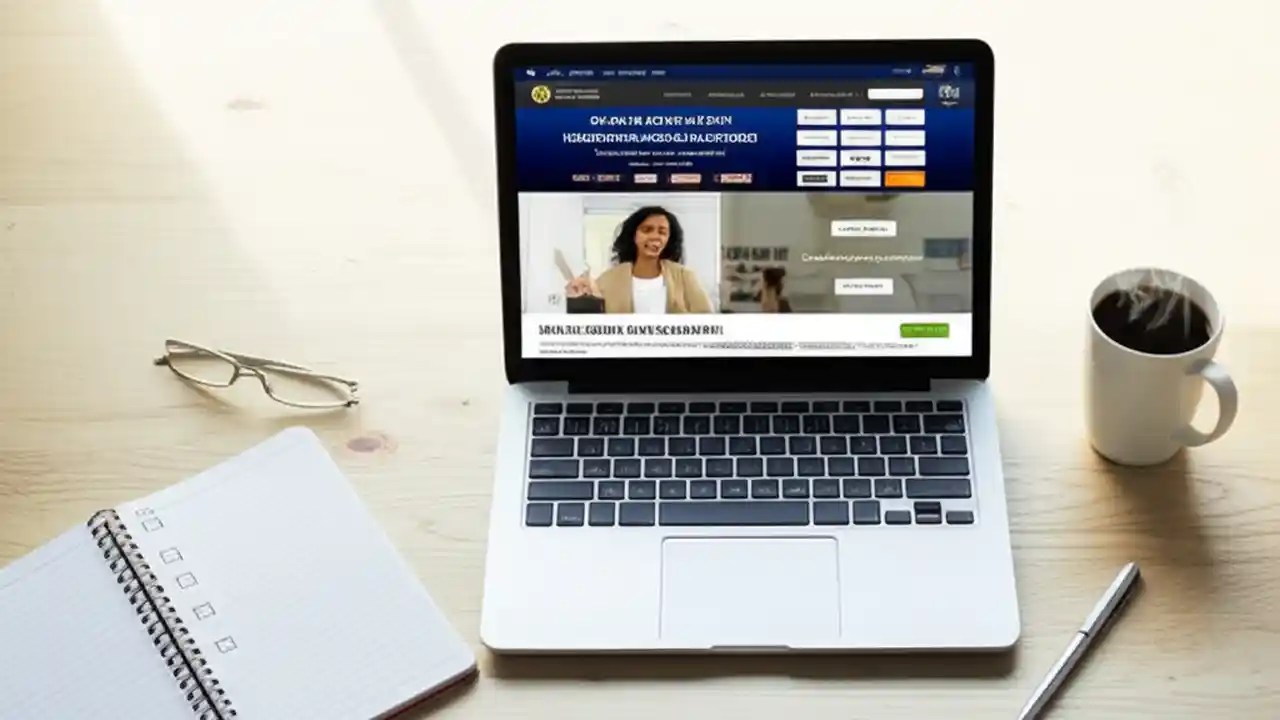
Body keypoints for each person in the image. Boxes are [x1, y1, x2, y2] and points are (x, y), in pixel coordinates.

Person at [564, 206, 712, 314]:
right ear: (633, 236)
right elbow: (592, 326)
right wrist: (577, 299)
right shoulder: (607, 279)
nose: (655, 236)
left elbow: (709, 322)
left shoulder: (684, 276)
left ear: (669, 239)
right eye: (647, 230)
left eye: (662, 232)